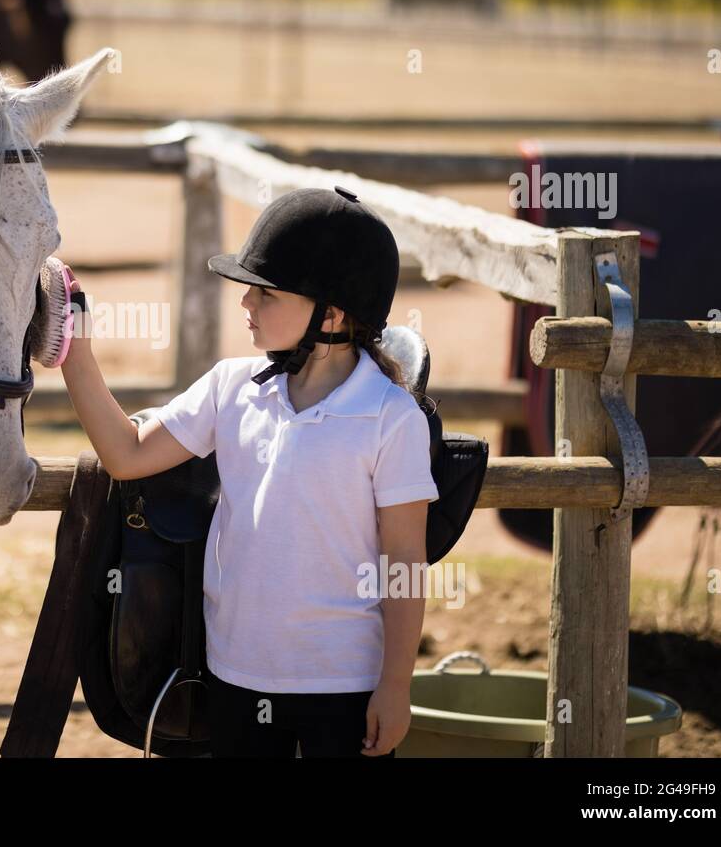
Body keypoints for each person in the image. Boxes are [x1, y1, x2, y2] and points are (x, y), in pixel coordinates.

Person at [60, 186, 438, 758]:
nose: (245, 305)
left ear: (330, 314)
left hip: (342, 689)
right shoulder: (231, 387)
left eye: (264, 293)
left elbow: (404, 563)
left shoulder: (392, 419)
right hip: (233, 677)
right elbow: (128, 454)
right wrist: (76, 352)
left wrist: (395, 685)